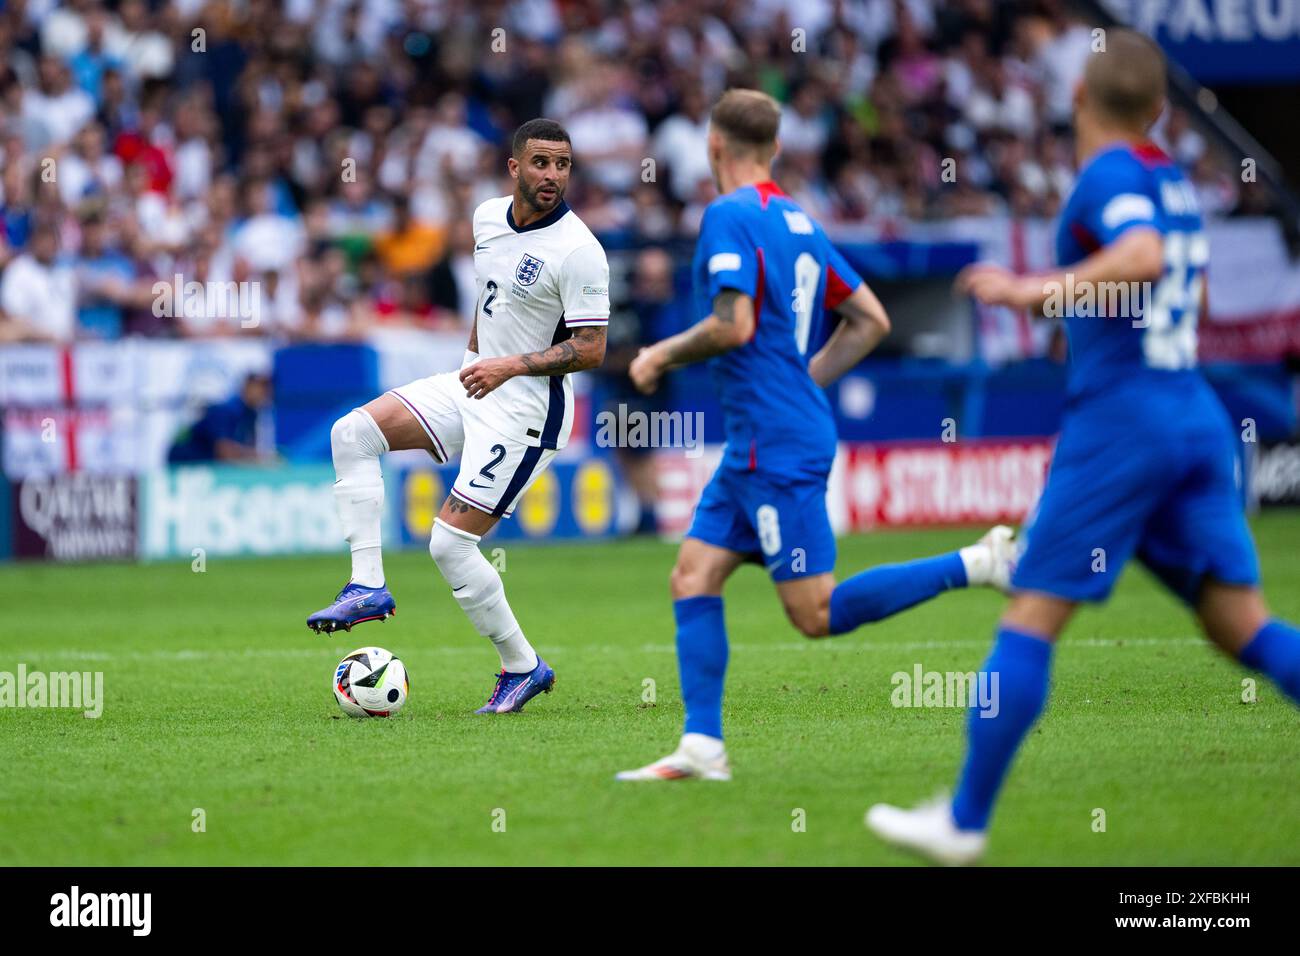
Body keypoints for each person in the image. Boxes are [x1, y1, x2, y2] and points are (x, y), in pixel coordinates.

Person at [866, 30, 1300, 865]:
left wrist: (1036, 292)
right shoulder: (1172, 179)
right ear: (1162, 110)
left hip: (1125, 422)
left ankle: (962, 821)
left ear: (1075, 100)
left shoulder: (1110, 175)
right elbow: (1188, 281)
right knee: (1241, 624)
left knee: (1031, 611)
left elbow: (1139, 257)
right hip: (1194, 414)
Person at [615, 89, 1016, 782]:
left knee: (816, 612)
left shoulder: (727, 215)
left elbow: (732, 324)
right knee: (693, 574)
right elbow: (870, 319)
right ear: (773, 148)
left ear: (714, 146)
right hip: (761, 440)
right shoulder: (799, 221)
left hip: (775, 443)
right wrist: (805, 379)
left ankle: (978, 563)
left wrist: (658, 354)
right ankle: (701, 747)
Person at [306, 119, 611, 717]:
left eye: (563, 165)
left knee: (448, 545)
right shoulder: (486, 219)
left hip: (528, 410)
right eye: (542, 163)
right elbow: (487, 298)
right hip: (471, 384)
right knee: (353, 433)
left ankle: (522, 667)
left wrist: (506, 366)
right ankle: (367, 584)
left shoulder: (580, 251)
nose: (553, 176)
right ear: (514, 166)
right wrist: (475, 361)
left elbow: (593, 347)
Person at [168, 372, 274, 464]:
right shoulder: (225, 410)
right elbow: (225, 453)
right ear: (247, 386)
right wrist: (263, 459)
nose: (265, 393)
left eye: (267, 388)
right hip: (183, 466)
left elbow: (245, 450)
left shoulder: (251, 414)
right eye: (261, 387)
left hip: (206, 467)